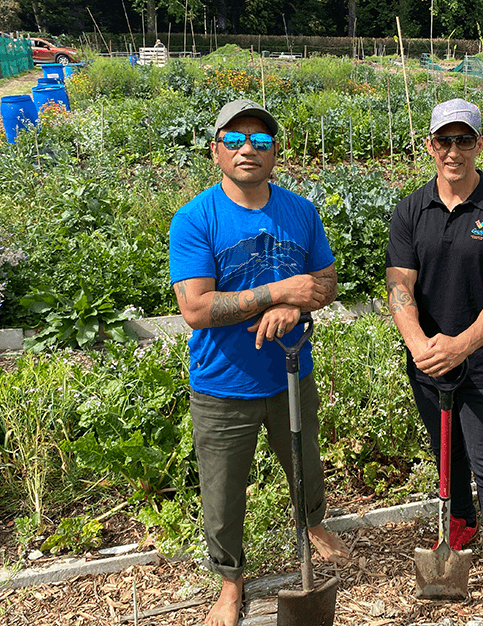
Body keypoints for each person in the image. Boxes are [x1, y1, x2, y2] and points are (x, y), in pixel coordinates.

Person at [169, 99, 349, 626]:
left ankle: (313, 525)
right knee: (223, 491)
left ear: (275, 152)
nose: (249, 150)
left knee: (305, 464)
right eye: (235, 140)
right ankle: (230, 579)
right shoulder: (196, 218)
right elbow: (196, 310)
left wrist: (295, 305)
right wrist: (277, 291)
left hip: (292, 372)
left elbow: (328, 283)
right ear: (216, 151)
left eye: (262, 142)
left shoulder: (300, 211)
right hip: (223, 383)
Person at [385, 98, 483, 620]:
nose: (453, 151)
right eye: (443, 141)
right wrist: (420, 344)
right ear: (430, 146)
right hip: (426, 360)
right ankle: (462, 520)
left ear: (479, 144)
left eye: (463, 140)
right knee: (449, 455)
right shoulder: (411, 209)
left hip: (481, 362)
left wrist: (458, 345)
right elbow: (399, 284)